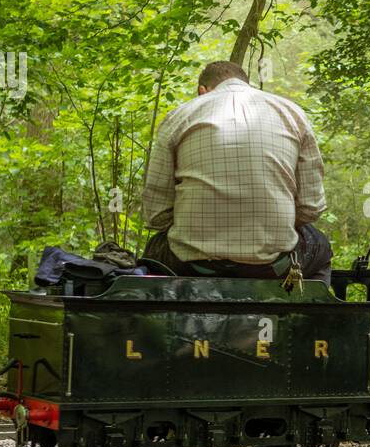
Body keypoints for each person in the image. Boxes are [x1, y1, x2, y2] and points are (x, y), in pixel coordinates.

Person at [140, 61, 332, 284]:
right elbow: (310, 208)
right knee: (320, 246)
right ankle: (308, 314)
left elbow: (156, 214)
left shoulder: (179, 117)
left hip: (193, 265)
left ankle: (166, 314)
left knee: (155, 250)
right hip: (271, 266)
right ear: (246, 84)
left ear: (202, 91)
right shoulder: (292, 113)